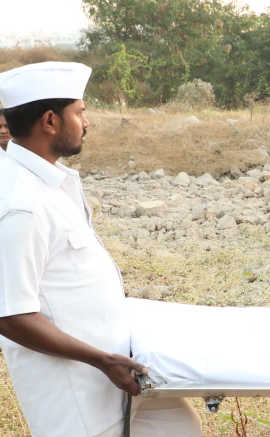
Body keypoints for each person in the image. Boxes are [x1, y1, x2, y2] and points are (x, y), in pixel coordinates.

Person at [0, 62, 201, 436]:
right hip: (77, 384)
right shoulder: (19, 204)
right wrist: (101, 360)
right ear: (50, 121)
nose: (86, 123)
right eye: (80, 113)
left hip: (118, 365)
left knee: (179, 427)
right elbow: (10, 316)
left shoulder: (51, 181)